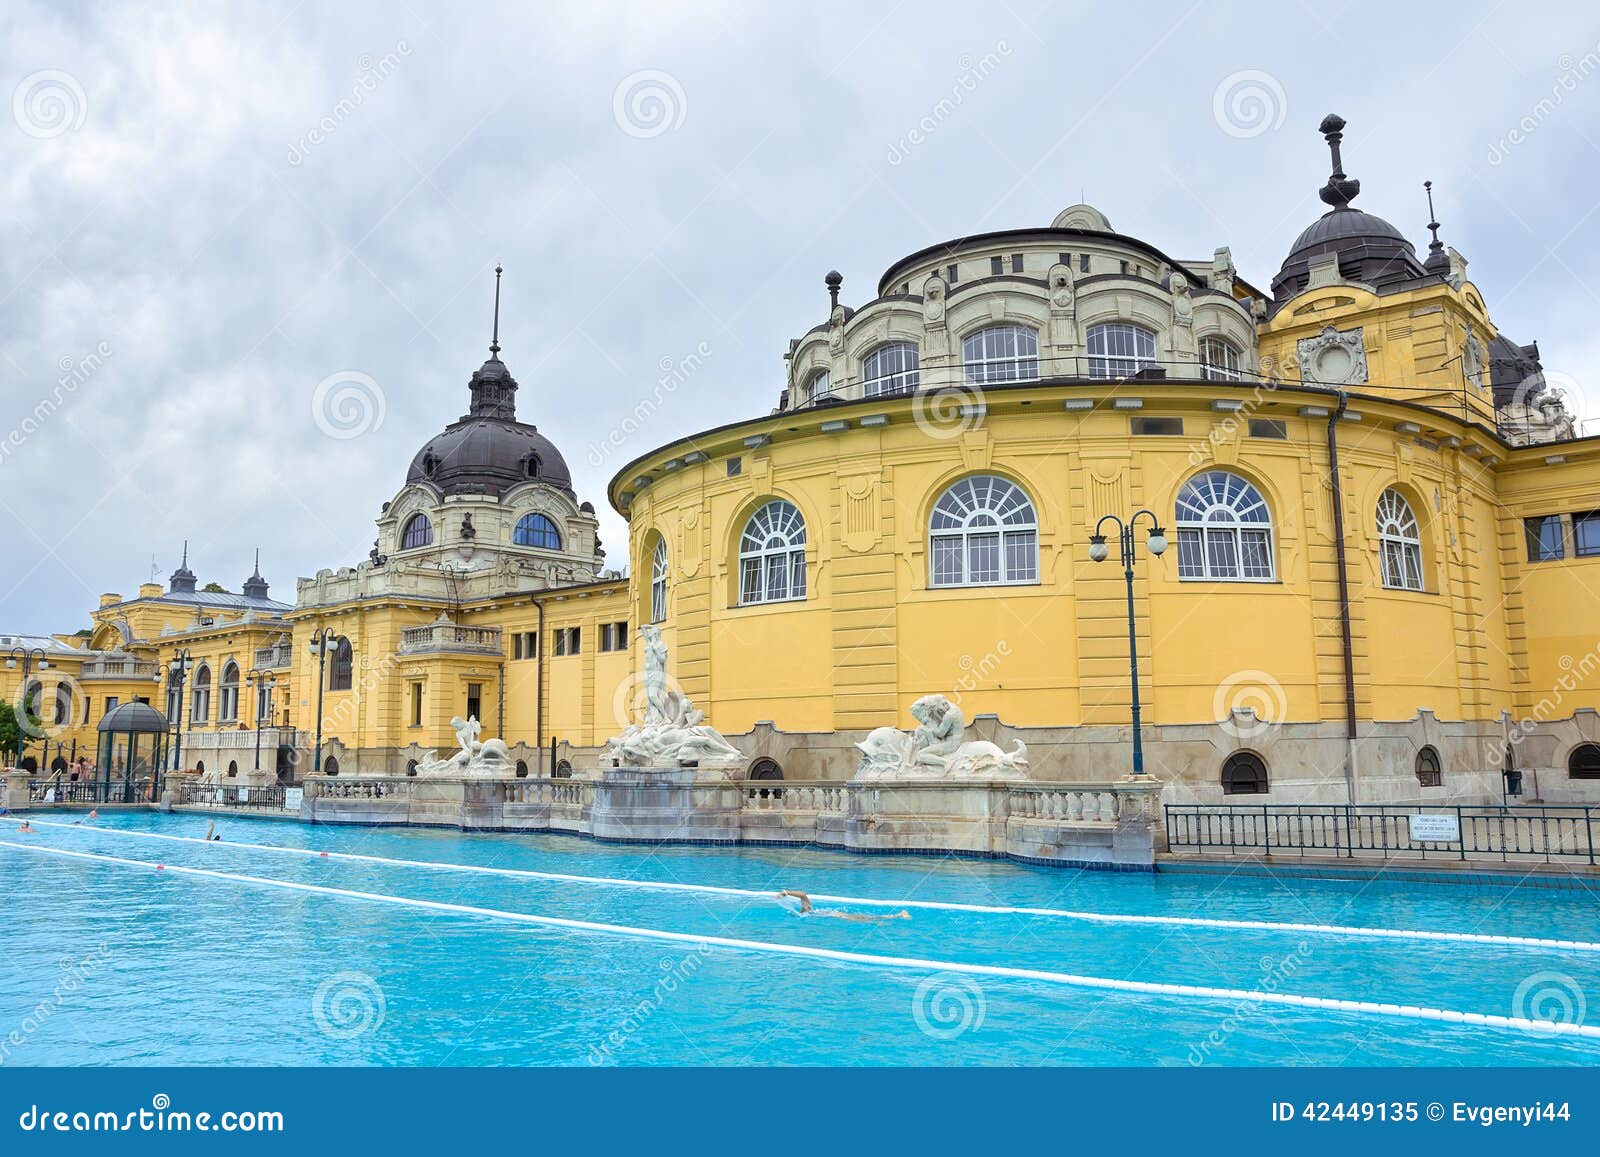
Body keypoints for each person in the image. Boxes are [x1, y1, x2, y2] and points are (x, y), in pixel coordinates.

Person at [776, 890, 909, 923]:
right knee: (867, 918)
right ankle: (897, 915)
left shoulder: (806, 912)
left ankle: (898, 915)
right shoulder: (809, 911)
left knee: (867, 919)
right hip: (836, 914)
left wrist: (786, 893)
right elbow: (803, 895)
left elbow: (803, 895)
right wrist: (785, 893)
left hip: (838, 915)